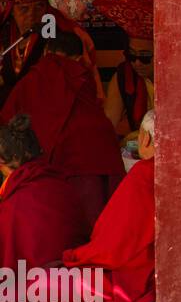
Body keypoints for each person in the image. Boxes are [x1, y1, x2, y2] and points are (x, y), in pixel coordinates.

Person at [27, 110, 157, 302]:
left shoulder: (144, 173)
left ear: (145, 138)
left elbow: (111, 250)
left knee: (37, 284)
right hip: (151, 281)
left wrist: (75, 257)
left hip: (128, 285)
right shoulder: (179, 174)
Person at [0, 29, 124, 236]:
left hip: (54, 163)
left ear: (46, 51)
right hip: (96, 155)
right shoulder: (81, 76)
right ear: (77, 57)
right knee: (94, 224)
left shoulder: (34, 78)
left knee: (58, 226)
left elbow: (6, 119)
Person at [0, 114, 87, 302]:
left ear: (2, 163)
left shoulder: (15, 202)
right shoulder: (62, 187)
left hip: (30, 296)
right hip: (72, 290)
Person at [0, 0, 97, 107]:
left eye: (38, 7)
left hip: (47, 113)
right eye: (24, 9)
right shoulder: (3, 32)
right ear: (12, 11)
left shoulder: (62, 33)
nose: (32, 15)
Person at [94, 0, 154, 140]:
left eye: (145, 57)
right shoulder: (124, 76)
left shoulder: (179, 77)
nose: (137, 63)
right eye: (132, 55)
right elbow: (108, 125)